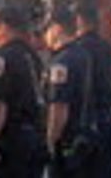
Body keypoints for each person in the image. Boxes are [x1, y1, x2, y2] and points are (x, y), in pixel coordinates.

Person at [0, 6, 45, 178]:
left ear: (4, 27)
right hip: (34, 134)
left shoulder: (1, 58)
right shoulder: (32, 56)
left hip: (12, 140)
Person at [44, 10, 97, 178]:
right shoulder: (82, 55)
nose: (46, 35)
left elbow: (59, 106)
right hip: (83, 135)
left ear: (57, 29)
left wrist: (50, 140)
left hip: (65, 140)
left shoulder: (62, 62)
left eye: (47, 29)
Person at [72, 5, 111, 178]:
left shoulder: (79, 49)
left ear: (80, 21)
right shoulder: (106, 46)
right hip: (106, 114)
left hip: (87, 116)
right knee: (104, 168)